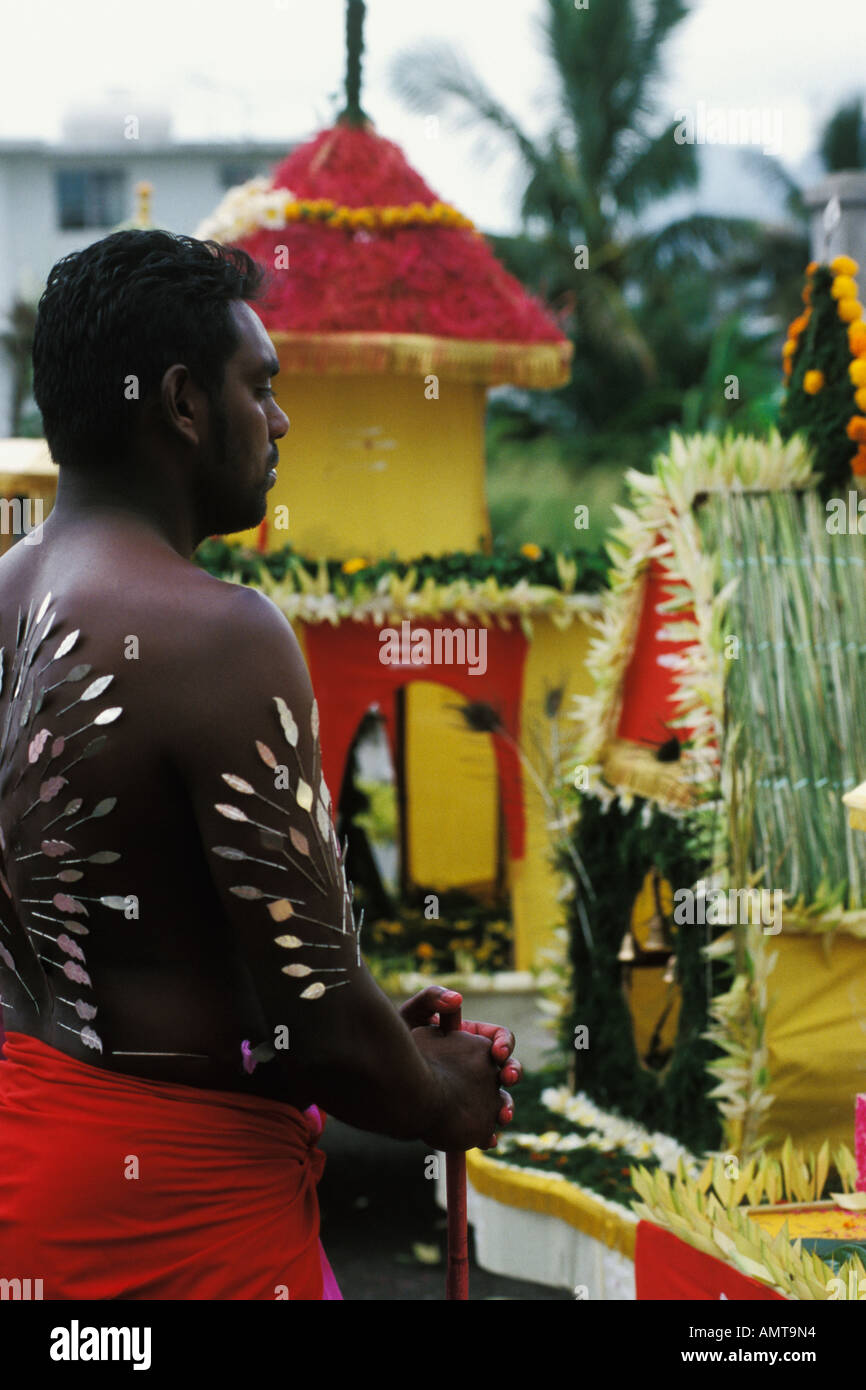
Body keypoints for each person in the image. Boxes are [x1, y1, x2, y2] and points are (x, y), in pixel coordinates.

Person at [0, 230, 521, 1301]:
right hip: (181, 1226)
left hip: (28, 1187)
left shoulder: (5, 593)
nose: (280, 422)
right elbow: (319, 1017)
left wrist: (391, 1044)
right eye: (262, 387)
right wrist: (445, 1095)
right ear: (184, 403)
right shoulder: (220, 636)